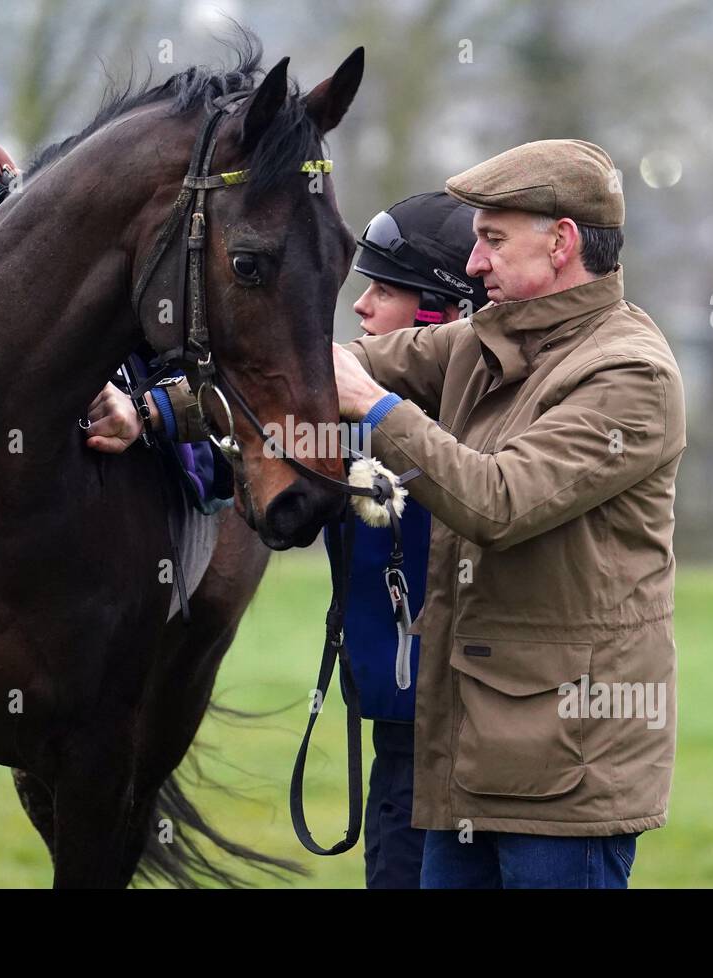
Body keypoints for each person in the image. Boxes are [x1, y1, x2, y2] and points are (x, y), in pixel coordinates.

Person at [84, 191, 486, 889]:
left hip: (493, 739)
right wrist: (144, 413)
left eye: (384, 291)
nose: (360, 308)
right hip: (397, 736)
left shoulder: (497, 412)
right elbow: (252, 443)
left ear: (440, 315)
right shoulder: (347, 415)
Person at [328, 139, 686, 888]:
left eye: (492, 239)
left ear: (560, 243)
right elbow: (324, 369)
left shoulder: (628, 375)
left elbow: (497, 501)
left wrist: (376, 409)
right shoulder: (488, 339)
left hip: (566, 778)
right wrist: (153, 413)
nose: (472, 264)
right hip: (469, 760)